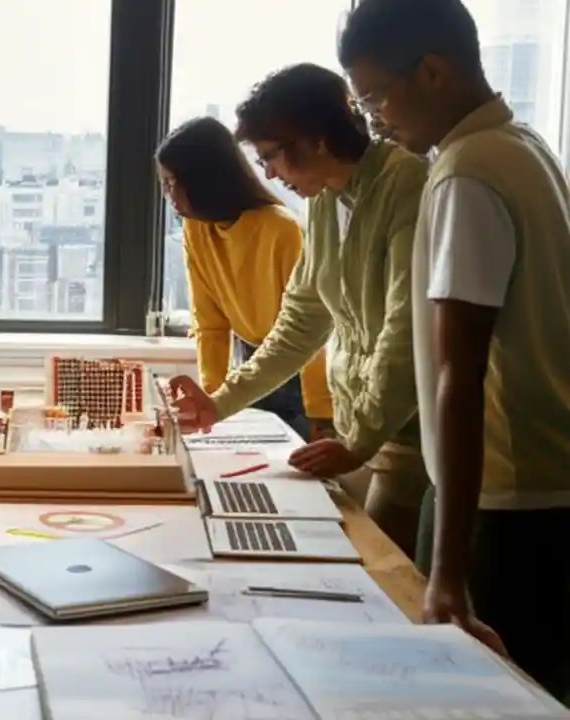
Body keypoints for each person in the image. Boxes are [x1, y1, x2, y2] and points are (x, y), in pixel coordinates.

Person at [342, 0, 570, 700]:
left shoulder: (466, 172)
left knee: (477, 698)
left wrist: (445, 574)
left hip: (499, 501)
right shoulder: (523, 145)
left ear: (433, 72)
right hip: (544, 485)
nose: (375, 119)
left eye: (376, 96)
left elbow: (458, 375)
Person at [167, 63, 428, 558]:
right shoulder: (330, 202)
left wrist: (357, 440)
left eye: (271, 156)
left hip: (415, 436)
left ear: (315, 141)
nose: (267, 173)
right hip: (373, 431)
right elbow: (298, 325)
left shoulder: (406, 187)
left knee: (393, 581)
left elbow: (406, 332)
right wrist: (219, 403)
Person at [156, 116, 333, 441]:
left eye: (172, 182)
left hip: (298, 370)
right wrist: (210, 400)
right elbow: (210, 324)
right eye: (164, 184)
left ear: (203, 179)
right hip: (252, 365)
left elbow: (311, 334)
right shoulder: (197, 228)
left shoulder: (281, 229)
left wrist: (321, 416)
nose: (168, 195)